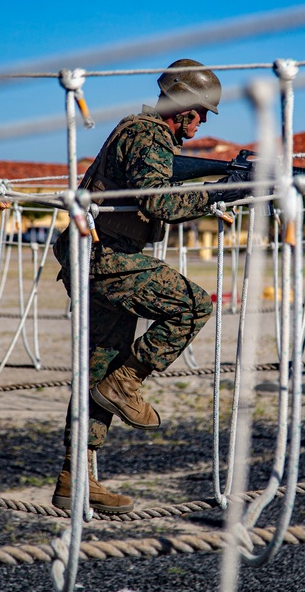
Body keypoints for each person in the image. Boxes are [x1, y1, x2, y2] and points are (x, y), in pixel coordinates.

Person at [51, 59, 248, 513]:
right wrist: (220, 192)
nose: (198, 125)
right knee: (194, 305)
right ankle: (129, 384)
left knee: (99, 372)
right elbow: (158, 200)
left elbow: (156, 189)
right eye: (198, 114)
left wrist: (220, 185)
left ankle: (73, 477)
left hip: (96, 258)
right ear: (180, 105)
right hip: (109, 257)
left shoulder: (143, 136)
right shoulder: (147, 134)